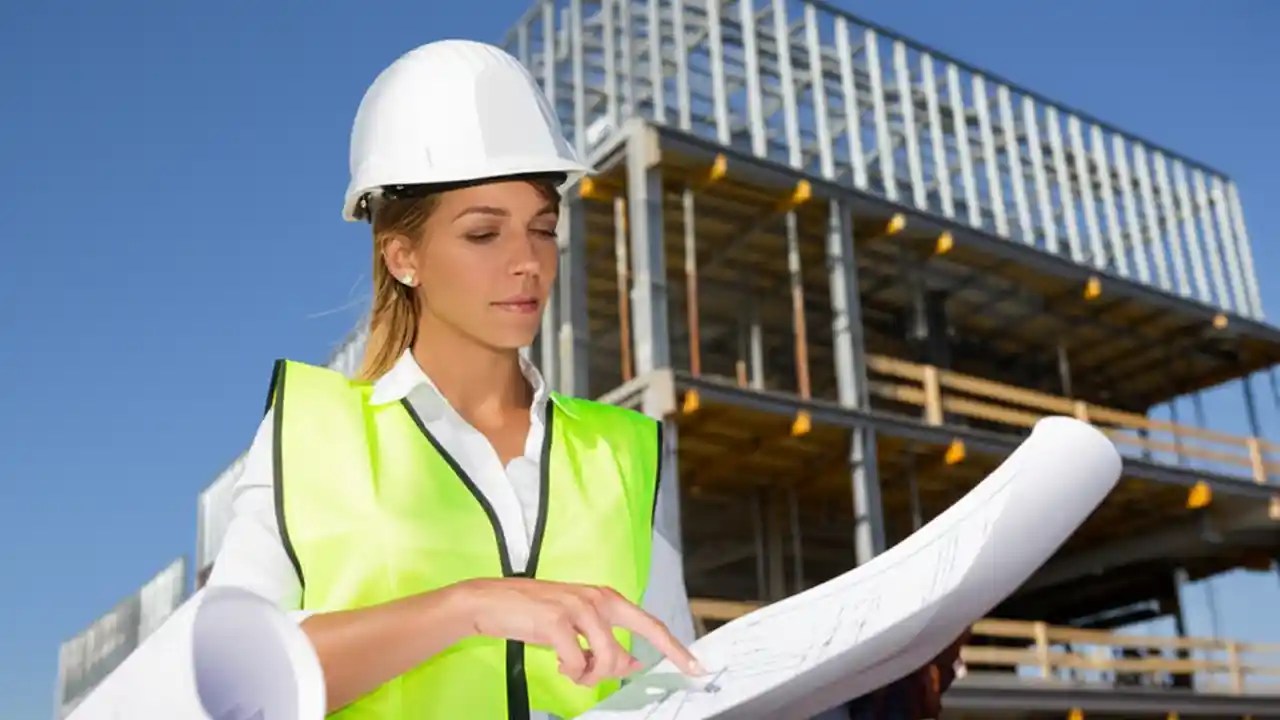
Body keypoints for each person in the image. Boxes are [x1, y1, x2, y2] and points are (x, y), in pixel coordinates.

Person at [204, 38, 967, 720]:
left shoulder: (624, 453)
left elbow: (673, 694)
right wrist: (469, 607)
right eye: (483, 232)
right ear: (403, 257)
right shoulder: (313, 431)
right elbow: (225, 680)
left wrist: (865, 687)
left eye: (542, 227)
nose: (527, 262)